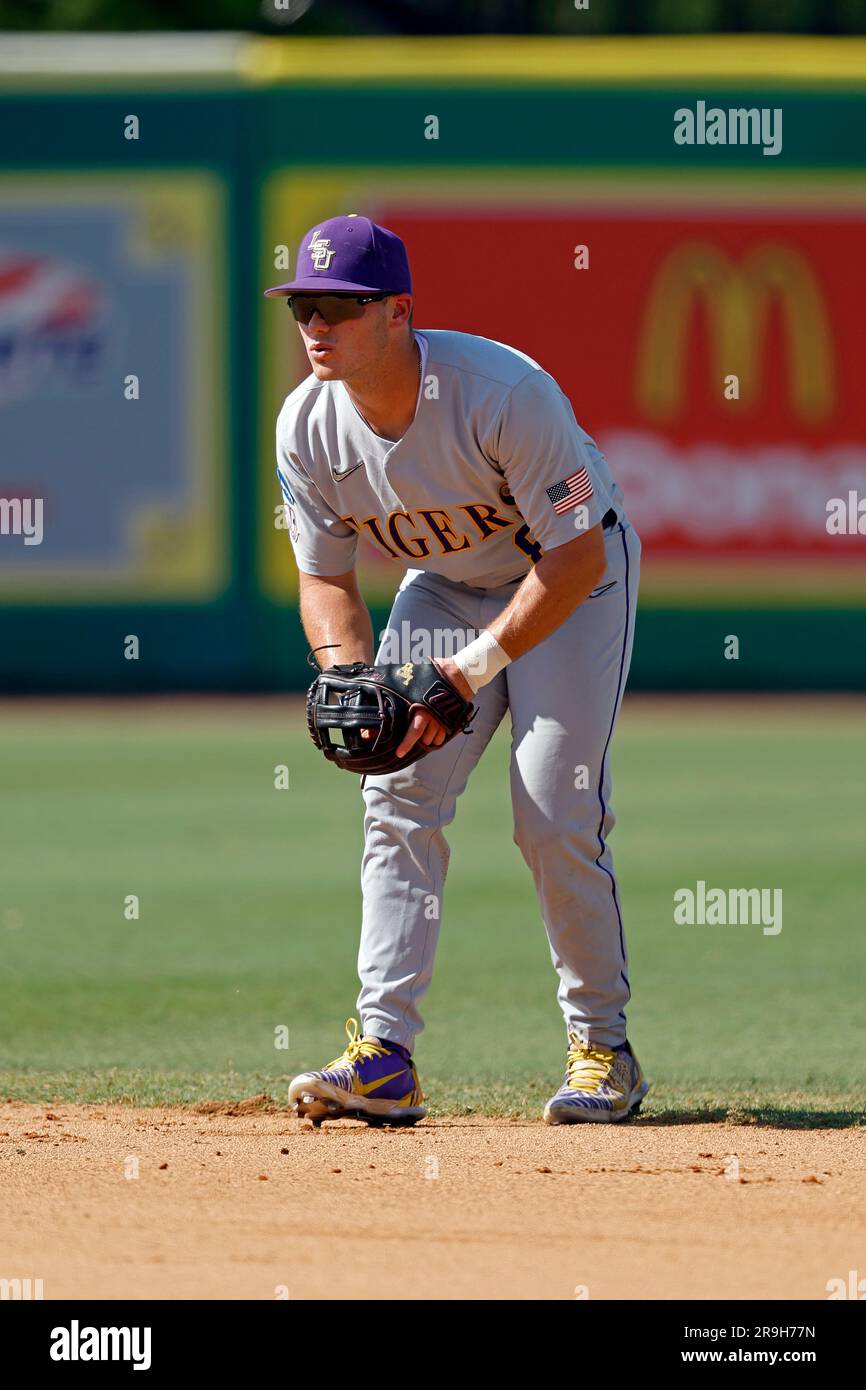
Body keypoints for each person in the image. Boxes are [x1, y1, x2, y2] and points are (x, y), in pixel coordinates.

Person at [267, 214, 648, 1126]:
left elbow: (578, 555)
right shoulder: (307, 426)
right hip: (444, 588)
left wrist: (468, 673)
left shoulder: (503, 392)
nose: (316, 324)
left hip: (570, 584)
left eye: (340, 306)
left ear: (399, 312)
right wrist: (348, 674)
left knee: (553, 809)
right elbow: (324, 576)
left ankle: (604, 1050)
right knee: (396, 793)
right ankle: (384, 1056)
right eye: (302, 307)